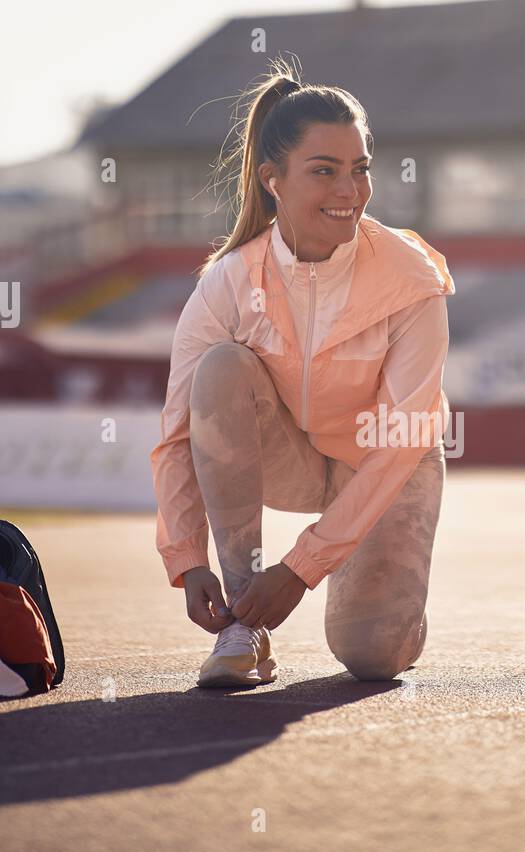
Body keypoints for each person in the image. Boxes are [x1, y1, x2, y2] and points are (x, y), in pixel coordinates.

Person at [149, 58, 455, 687]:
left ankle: (398, 611)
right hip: (290, 453)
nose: (350, 191)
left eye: (360, 169)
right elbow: (179, 430)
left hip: (383, 460)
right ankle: (244, 629)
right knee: (221, 369)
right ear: (273, 180)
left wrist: (301, 567)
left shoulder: (412, 278)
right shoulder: (230, 281)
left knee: (371, 657)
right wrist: (187, 559)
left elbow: (399, 444)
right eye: (325, 171)